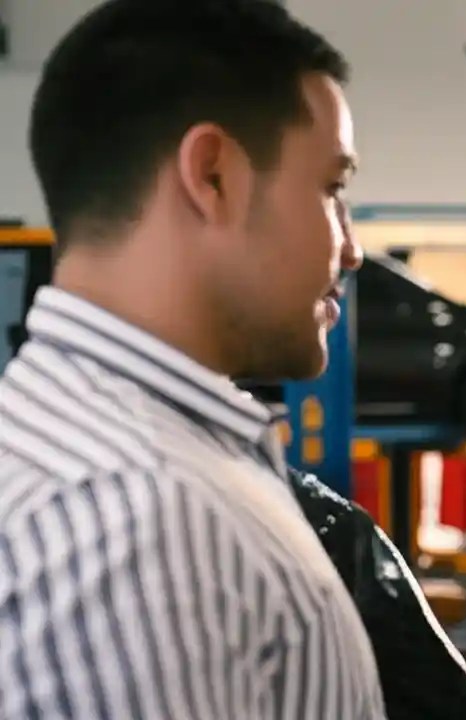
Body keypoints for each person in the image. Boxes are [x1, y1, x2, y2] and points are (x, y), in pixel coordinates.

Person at [0, 1, 383, 716]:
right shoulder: (137, 526)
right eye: (332, 188)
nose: (352, 248)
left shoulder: (97, 453)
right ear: (212, 175)